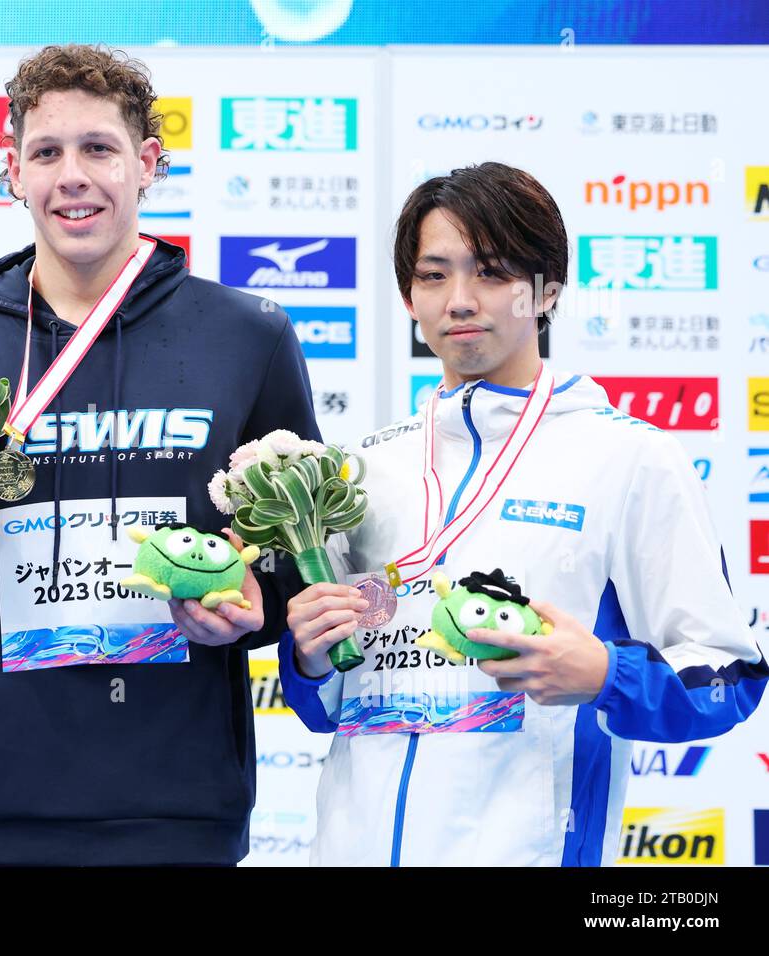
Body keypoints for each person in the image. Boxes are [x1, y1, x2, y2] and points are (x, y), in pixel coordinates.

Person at [0, 44, 319, 865]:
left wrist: (250, 604)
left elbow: (298, 566)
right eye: (46, 153)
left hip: (179, 814)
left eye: (99, 149)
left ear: (148, 162)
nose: (71, 175)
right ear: (12, 172)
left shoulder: (247, 337)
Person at [280, 162, 768, 866]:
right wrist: (310, 657)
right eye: (433, 275)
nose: (460, 300)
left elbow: (730, 678)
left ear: (546, 290)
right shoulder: (363, 470)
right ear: (408, 297)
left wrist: (606, 674)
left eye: (493, 272)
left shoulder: (630, 460)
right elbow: (329, 709)